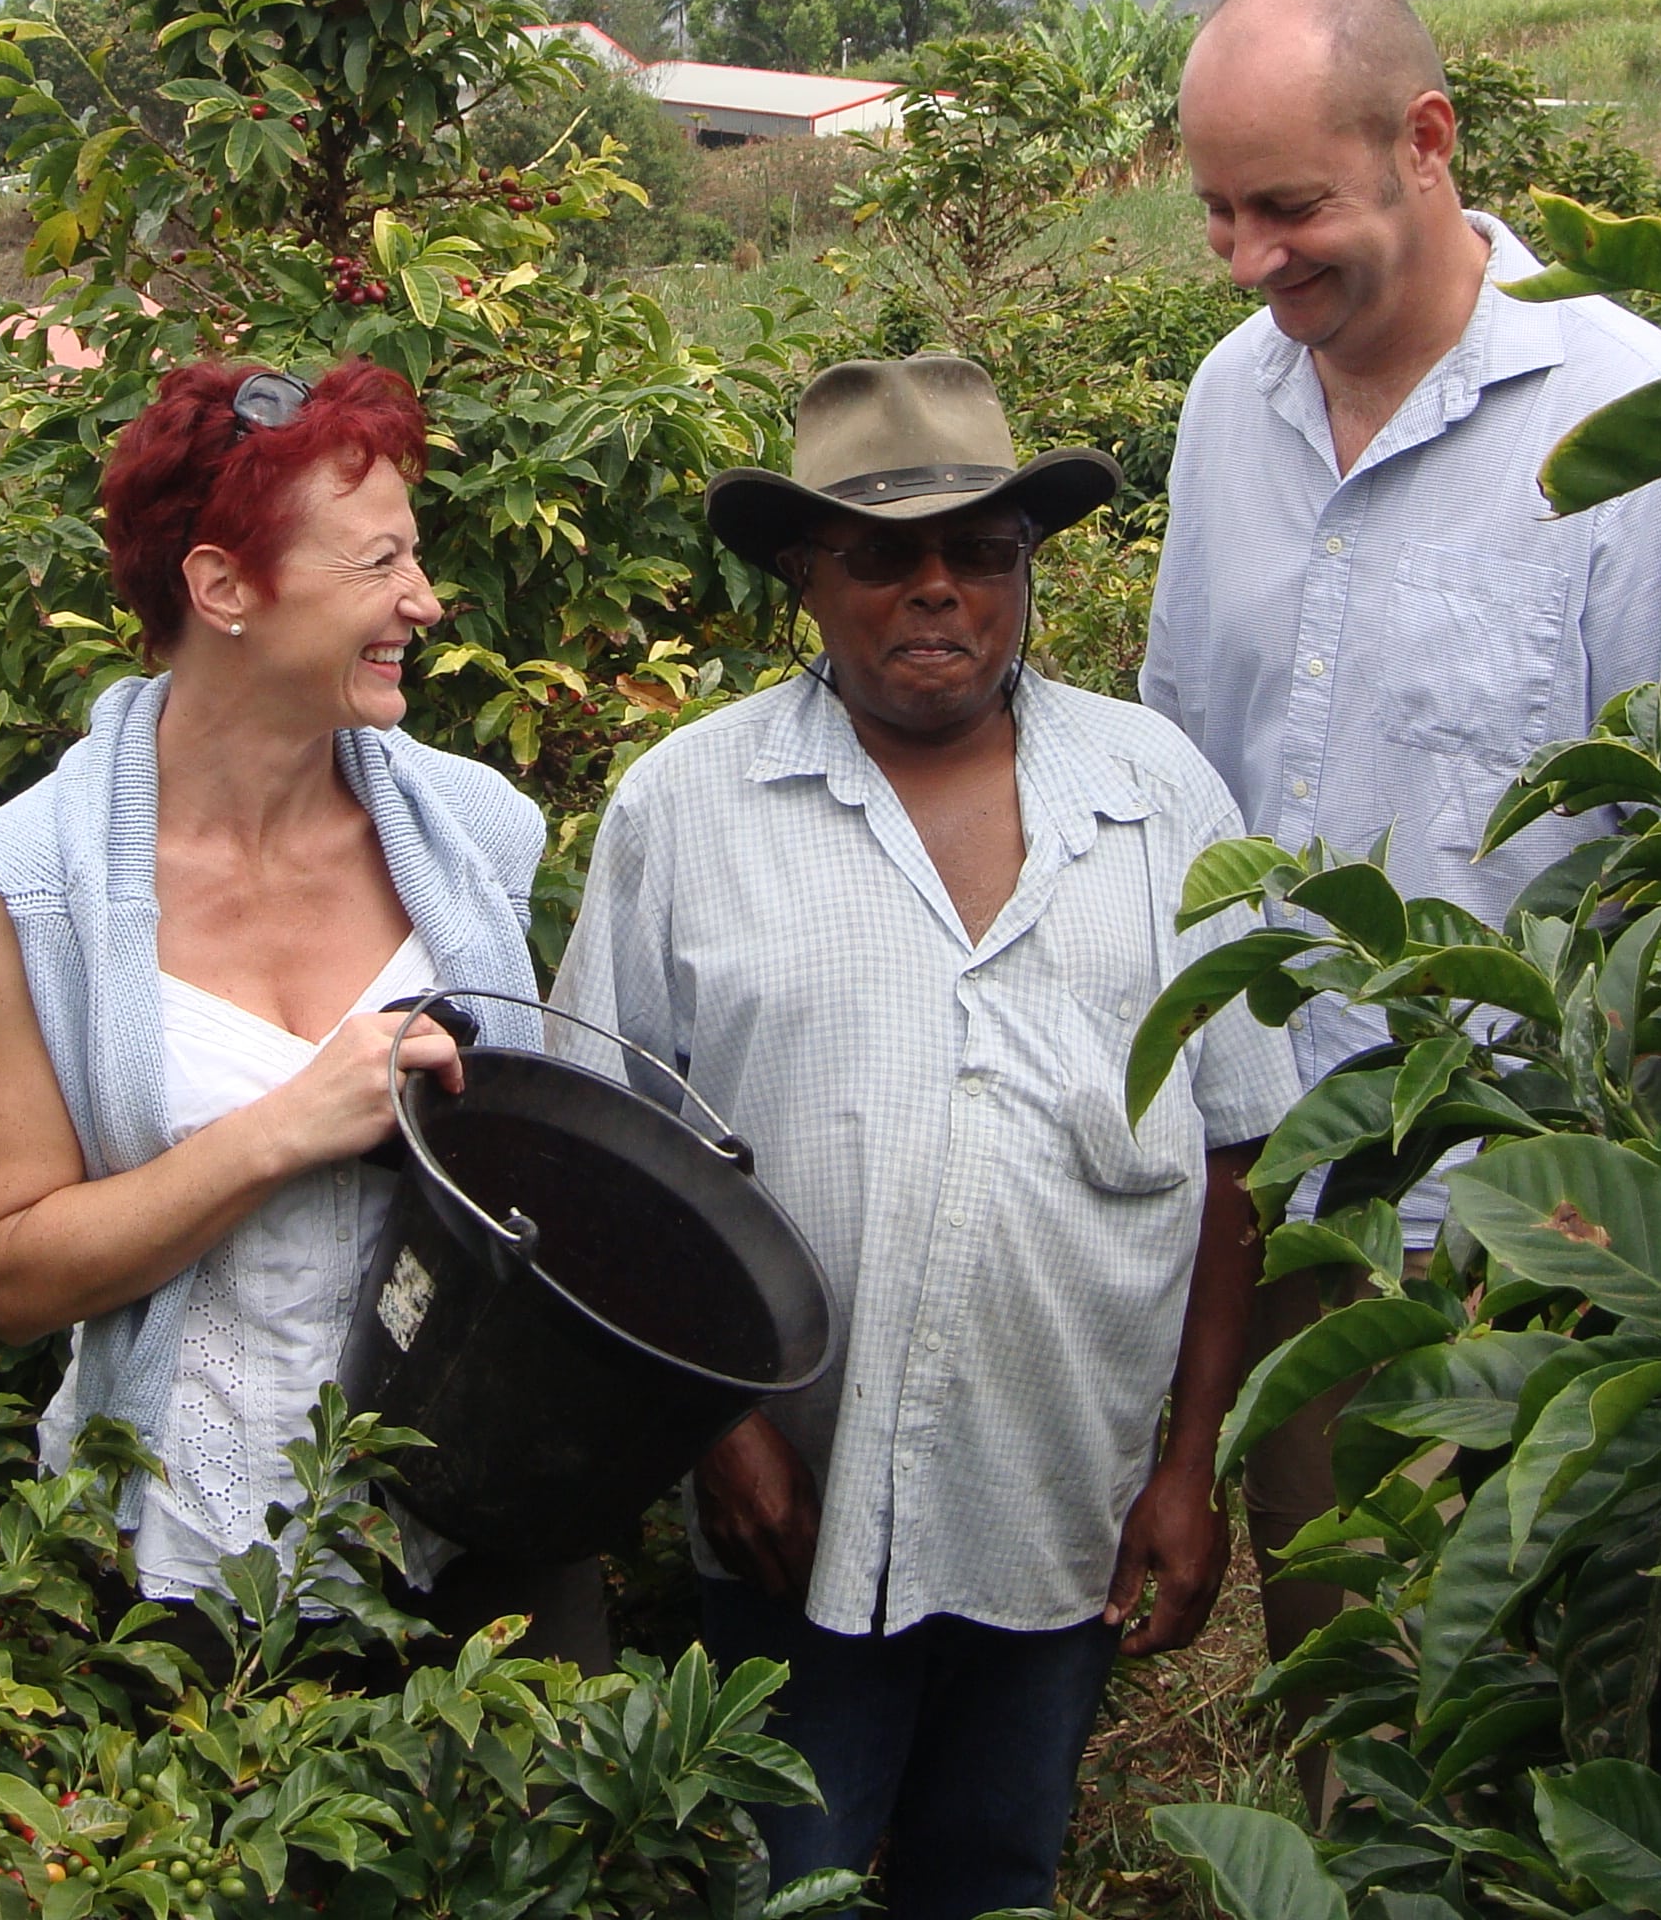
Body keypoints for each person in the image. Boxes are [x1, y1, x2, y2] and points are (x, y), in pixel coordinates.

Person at [555, 352, 1296, 1920]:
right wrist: (722, 1435)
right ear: (806, 579)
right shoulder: (686, 809)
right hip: (790, 1515)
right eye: (883, 553)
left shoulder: (1162, 796)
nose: (939, 590)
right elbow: (615, 1156)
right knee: (785, 1879)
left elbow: (1236, 1155)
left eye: (983, 551)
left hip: (1061, 1496)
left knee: (996, 1872)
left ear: (1028, 568)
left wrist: (1190, 1471)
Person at [1138, 0, 1661, 1669]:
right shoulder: (1226, 408)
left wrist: (1620, 1228)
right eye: (1217, 215)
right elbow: (1184, 765)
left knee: (1534, 1707)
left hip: (1544, 1229)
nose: (1254, 260)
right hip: (1297, 1205)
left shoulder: (1644, 428)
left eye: (1290, 207)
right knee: (1351, 1698)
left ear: (1429, 143)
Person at [0, 356, 610, 1663]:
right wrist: (282, 1130)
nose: (420, 601)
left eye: (416, 558)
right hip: (185, 1569)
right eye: (376, 565)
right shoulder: (27, 890)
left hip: (475, 1535)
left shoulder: (472, 837)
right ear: (223, 587)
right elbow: (10, 1276)